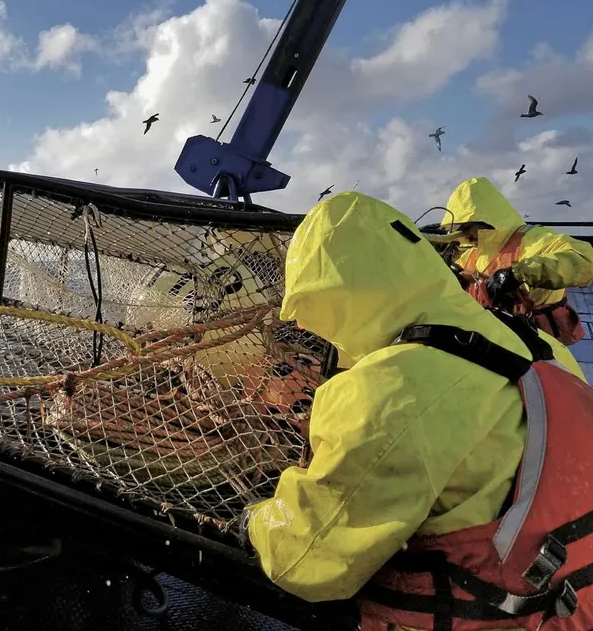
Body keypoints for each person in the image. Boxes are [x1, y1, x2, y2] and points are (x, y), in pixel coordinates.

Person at [243, 191, 593, 631]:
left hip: (508, 618)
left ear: (336, 293)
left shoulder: (393, 385)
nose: (300, 326)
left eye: (306, 310)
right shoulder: (530, 340)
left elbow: (309, 560)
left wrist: (256, 523)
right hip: (578, 596)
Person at [442, 177, 593, 346]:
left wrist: (519, 273)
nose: (465, 235)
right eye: (460, 229)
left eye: (469, 226)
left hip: (540, 343)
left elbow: (585, 259)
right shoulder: (471, 253)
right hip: (493, 341)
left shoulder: (534, 240)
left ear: (487, 219)